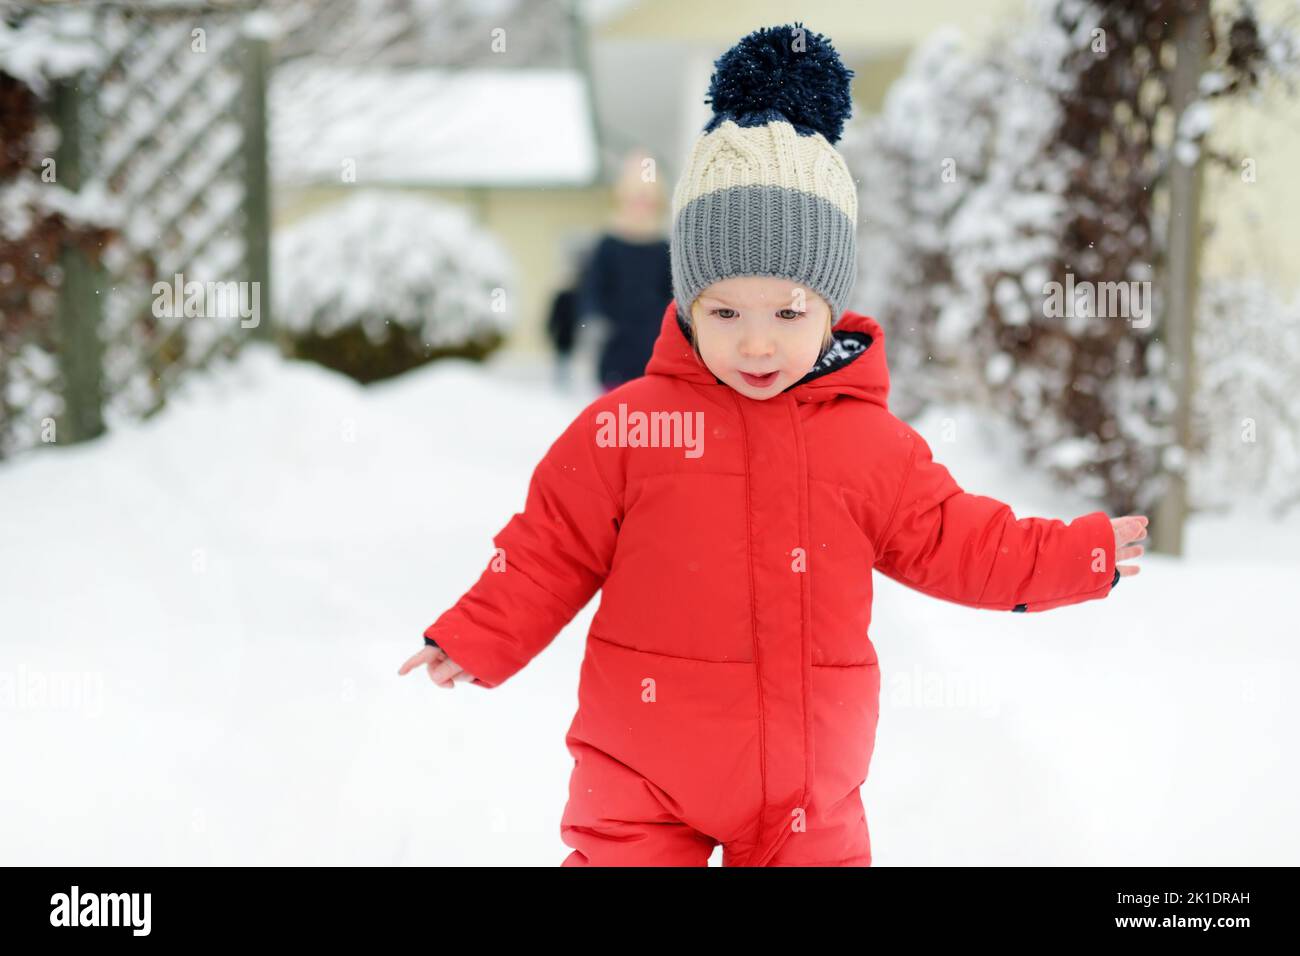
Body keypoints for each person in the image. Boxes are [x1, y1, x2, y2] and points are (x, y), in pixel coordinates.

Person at [399, 23, 1147, 866]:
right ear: (685, 306)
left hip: (807, 784)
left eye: (787, 313)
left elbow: (960, 538)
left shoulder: (870, 444)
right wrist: (475, 631)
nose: (757, 345)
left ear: (832, 306)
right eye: (725, 313)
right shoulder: (629, 426)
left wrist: (1076, 556)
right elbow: (548, 546)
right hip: (642, 769)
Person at [576, 149, 673, 392]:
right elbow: (592, 288)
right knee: (617, 409)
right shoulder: (608, 245)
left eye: (647, 201)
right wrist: (595, 319)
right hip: (616, 346)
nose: (641, 207)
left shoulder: (663, 248)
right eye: (635, 199)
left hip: (654, 346)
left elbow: (673, 293)